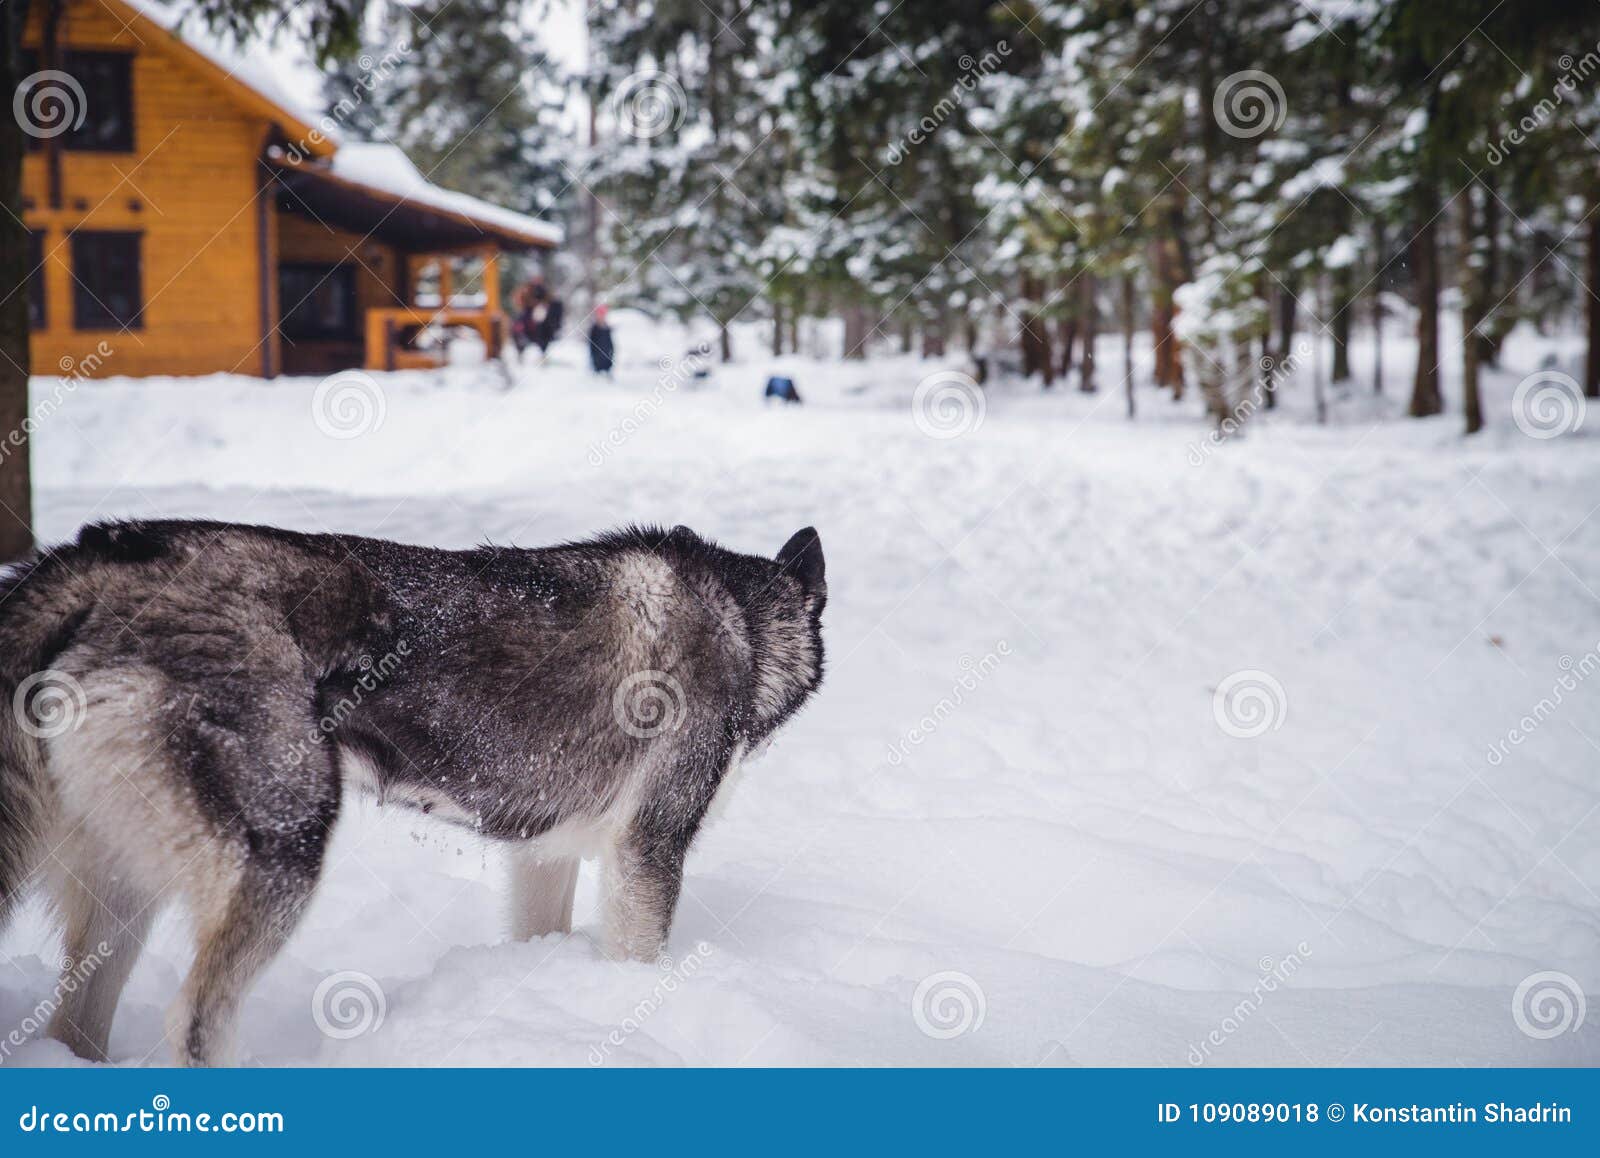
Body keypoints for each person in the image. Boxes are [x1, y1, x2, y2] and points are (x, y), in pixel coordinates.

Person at [588, 305, 615, 376]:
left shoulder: (607, 327)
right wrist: (593, 356)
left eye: (603, 315)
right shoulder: (594, 328)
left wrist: (612, 351)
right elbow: (591, 343)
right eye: (600, 315)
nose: (601, 317)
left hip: (606, 357)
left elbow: (610, 342)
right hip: (597, 358)